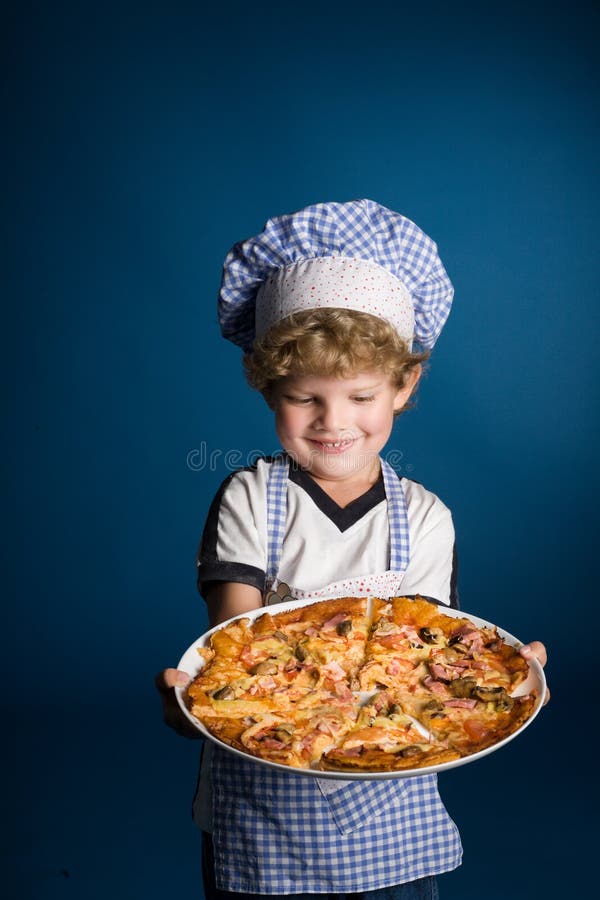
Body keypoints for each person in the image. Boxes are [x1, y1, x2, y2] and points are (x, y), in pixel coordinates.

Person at [157, 200, 548, 899]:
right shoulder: (251, 498)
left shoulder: (426, 516)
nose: (333, 422)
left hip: (394, 789)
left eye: (361, 395)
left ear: (405, 386)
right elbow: (232, 641)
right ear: (269, 389)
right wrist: (204, 703)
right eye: (305, 397)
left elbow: (431, 651)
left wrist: (504, 680)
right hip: (265, 789)